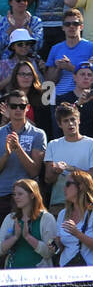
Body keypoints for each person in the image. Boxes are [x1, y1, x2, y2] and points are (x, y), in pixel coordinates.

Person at [0, 88, 45, 218]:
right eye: (14, 106)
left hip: (27, 196)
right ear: (7, 108)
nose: (18, 109)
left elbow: (34, 171)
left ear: (28, 108)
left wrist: (18, 148)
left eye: (22, 106)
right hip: (2, 194)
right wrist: (6, 155)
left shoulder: (38, 134)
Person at [55, 169, 93, 267]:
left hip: (90, 274)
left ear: (81, 187)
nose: (64, 188)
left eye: (68, 184)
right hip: (66, 271)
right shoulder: (63, 214)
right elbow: (62, 246)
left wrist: (77, 233)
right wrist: (55, 245)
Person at [0, 178, 57, 268]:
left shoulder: (47, 218)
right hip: (12, 274)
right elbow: (0, 249)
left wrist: (28, 237)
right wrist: (15, 237)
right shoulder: (10, 218)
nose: (16, 197)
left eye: (20, 194)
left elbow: (50, 252)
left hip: (39, 276)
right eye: (14, 194)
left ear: (32, 195)